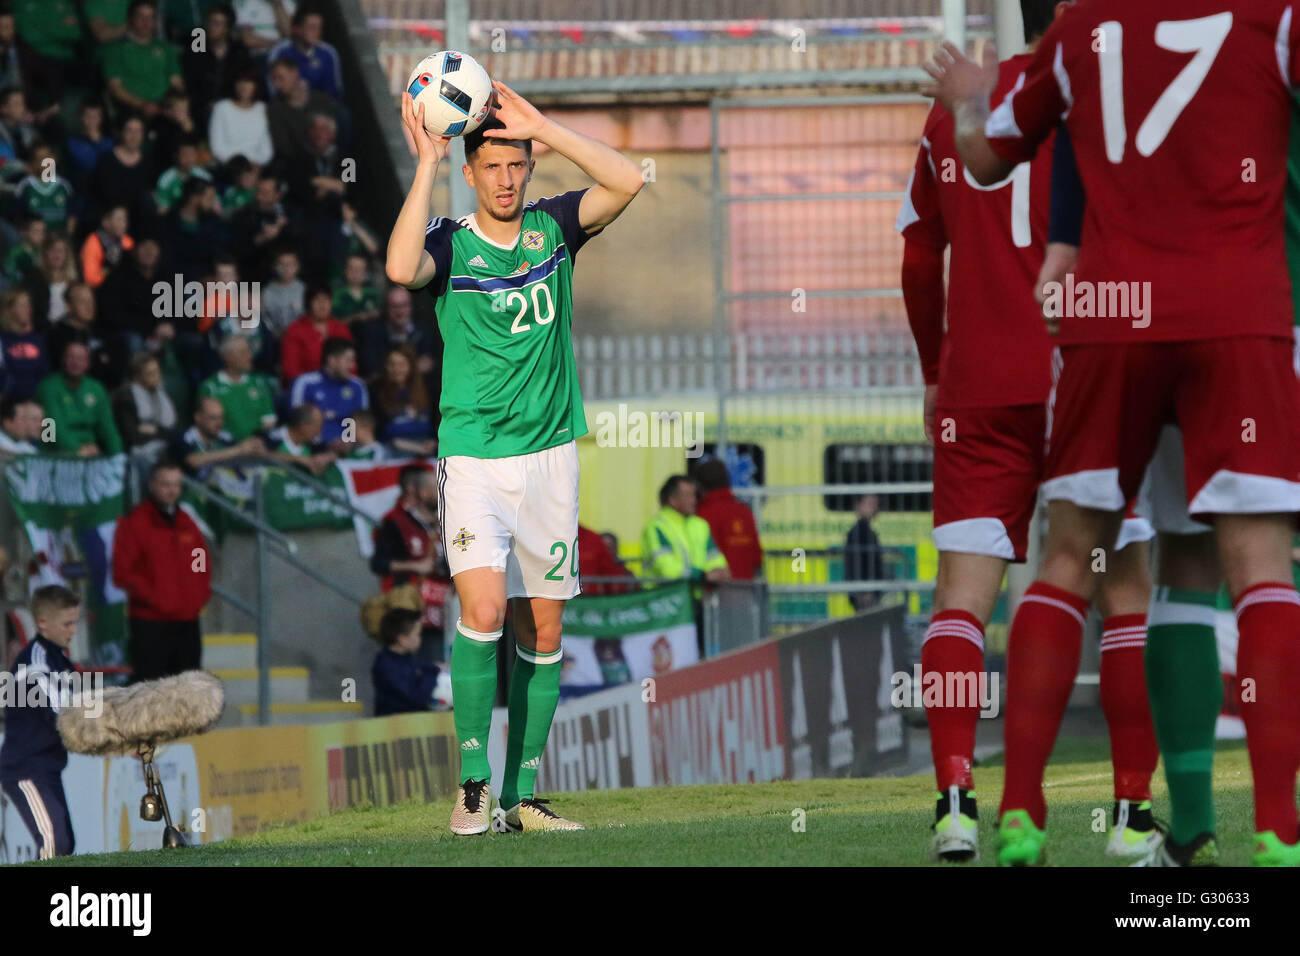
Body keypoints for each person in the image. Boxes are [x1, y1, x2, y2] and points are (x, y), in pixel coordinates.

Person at [926, 0, 1300, 867]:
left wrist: (974, 97)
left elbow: (983, 157)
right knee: (1254, 566)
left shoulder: (1081, 30)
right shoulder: (1271, 19)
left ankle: (1018, 809)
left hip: (1112, 320)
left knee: (1069, 557)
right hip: (1239, 318)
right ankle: (1278, 828)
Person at [386, 82, 643, 834]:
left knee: (546, 630)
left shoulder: (555, 229)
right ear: (470, 170)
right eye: (493, 165)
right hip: (473, 459)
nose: (506, 178)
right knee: (484, 611)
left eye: (517, 164)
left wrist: (547, 129)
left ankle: (521, 796)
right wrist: (425, 161)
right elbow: (401, 270)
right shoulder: (446, 239)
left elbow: (629, 181)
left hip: (550, 458)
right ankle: (472, 782)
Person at [0, 585, 81, 859]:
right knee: (54, 842)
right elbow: (66, 717)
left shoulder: (60, 660)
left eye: (75, 622)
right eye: (67, 624)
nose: (73, 630)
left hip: (47, 768)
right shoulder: (36, 665)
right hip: (26, 768)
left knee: (65, 843)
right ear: (43, 623)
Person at [112, 460, 212, 681]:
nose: (172, 490)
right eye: (166, 484)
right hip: (151, 623)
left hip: (187, 620)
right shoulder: (136, 522)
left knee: (188, 690)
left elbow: (200, 559)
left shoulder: (187, 522)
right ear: (153, 485)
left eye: (176, 485)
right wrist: (156, 598)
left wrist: (198, 594)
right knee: (151, 690)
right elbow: (123, 571)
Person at [370, 464, 451, 643]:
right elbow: (378, 563)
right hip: (410, 614)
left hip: (443, 612)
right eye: (435, 489)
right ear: (420, 493)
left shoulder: (445, 521)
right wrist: (416, 565)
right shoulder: (395, 522)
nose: (441, 494)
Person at [35, 339, 123, 456]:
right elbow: (53, 426)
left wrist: (118, 455)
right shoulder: (49, 387)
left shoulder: (96, 388)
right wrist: (76, 450)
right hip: (55, 451)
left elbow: (108, 427)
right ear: (63, 360)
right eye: (71, 357)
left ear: (88, 363)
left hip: (90, 450)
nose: (75, 363)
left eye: (81, 359)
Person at [640, 475, 730, 585]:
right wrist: (701, 576)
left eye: (694, 495)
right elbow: (667, 568)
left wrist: (719, 570)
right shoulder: (657, 527)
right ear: (672, 499)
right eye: (687, 495)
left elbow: (714, 557)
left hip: (693, 597)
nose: (693, 500)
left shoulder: (700, 525)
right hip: (663, 598)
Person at [103, 0, 184, 120]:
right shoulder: (116, 50)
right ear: (130, 19)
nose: (146, 22)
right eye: (141, 16)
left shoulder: (166, 48)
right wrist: (142, 105)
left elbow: (176, 82)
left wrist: (176, 104)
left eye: (151, 17)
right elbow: (115, 88)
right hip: (131, 110)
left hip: (164, 109)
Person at [288, 335, 367, 445]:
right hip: (313, 448)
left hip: (350, 449)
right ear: (332, 360)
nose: (353, 366)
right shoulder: (305, 383)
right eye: (348, 360)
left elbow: (363, 424)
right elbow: (298, 423)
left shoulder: (358, 385)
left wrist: (348, 442)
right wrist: (323, 445)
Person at [693, 457, 763, 581]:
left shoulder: (702, 514)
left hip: (714, 588)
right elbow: (756, 557)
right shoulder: (744, 511)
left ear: (700, 486)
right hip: (745, 586)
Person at [197, 335, 278, 441]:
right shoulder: (210, 387)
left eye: (249, 351)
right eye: (243, 352)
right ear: (228, 357)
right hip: (225, 446)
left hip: (258, 444)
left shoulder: (258, 383)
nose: (250, 356)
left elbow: (269, 419)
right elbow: (207, 425)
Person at [372, 607, 448, 717]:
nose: (420, 639)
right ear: (403, 639)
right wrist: (434, 674)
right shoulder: (386, 667)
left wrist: (436, 668)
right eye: (418, 634)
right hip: (394, 729)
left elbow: (423, 667)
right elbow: (417, 697)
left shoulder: (406, 658)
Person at [169, 395, 264, 479]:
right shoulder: (183, 437)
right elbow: (193, 461)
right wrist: (239, 449)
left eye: (221, 418)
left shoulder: (225, 437)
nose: (219, 423)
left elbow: (241, 452)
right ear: (198, 417)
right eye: (213, 418)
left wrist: (252, 446)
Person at [357, 284, 435, 379]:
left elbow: (428, 364)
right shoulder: (373, 332)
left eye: (404, 305)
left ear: (411, 306)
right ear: (387, 308)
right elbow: (371, 368)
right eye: (395, 306)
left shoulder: (423, 331)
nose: (400, 311)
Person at [369, 345, 434, 456]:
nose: (396, 369)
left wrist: (433, 442)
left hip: (426, 449)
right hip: (393, 450)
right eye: (392, 364)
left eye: (402, 364)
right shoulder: (376, 391)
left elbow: (435, 424)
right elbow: (379, 432)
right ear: (385, 366)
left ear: (411, 366)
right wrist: (414, 447)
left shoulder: (427, 389)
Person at [279, 284, 351, 384]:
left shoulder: (341, 329)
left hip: (339, 384)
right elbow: (290, 370)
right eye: (317, 300)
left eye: (326, 300)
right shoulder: (295, 330)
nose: (322, 305)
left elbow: (351, 365)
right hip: (306, 386)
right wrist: (317, 385)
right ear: (308, 304)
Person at [266, 8, 341, 100]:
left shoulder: (328, 52)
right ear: (297, 29)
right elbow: (273, 88)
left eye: (320, 28)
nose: (317, 32)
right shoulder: (280, 51)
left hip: (320, 104)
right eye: (312, 27)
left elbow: (334, 89)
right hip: (288, 105)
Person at [111, 351, 177, 452]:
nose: (157, 377)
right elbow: (131, 436)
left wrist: (156, 430)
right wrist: (162, 432)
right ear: (137, 377)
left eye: (158, 372)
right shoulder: (125, 397)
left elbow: (173, 430)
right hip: (138, 449)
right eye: (151, 374)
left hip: (163, 443)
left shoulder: (161, 392)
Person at [208, 67, 273, 167]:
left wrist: (254, 165)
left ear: (255, 85)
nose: (243, 87)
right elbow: (217, 148)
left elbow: (267, 150)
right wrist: (240, 165)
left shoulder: (262, 109)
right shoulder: (221, 108)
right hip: (228, 166)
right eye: (240, 82)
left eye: (248, 82)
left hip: (257, 167)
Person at [0, 288, 48, 400]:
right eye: (22, 305)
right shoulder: (2, 340)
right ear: (9, 310)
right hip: (9, 401)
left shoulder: (38, 340)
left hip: (37, 400)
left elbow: (45, 372)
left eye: (29, 305)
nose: (28, 310)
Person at [263, 401, 334, 474]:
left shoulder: (313, 445)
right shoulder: (272, 438)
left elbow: (333, 455)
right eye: (317, 428)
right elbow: (262, 456)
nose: (319, 433)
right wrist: (298, 459)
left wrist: (326, 458)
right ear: (304, 427)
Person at [843, 494, 885, 613]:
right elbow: (858, 564)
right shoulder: (859, 532)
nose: (874, 508)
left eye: (876, 504)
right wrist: (864, 592)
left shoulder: (866, 530)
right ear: (858, 506)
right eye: (870, 504)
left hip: (867, 591)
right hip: (865, 594)